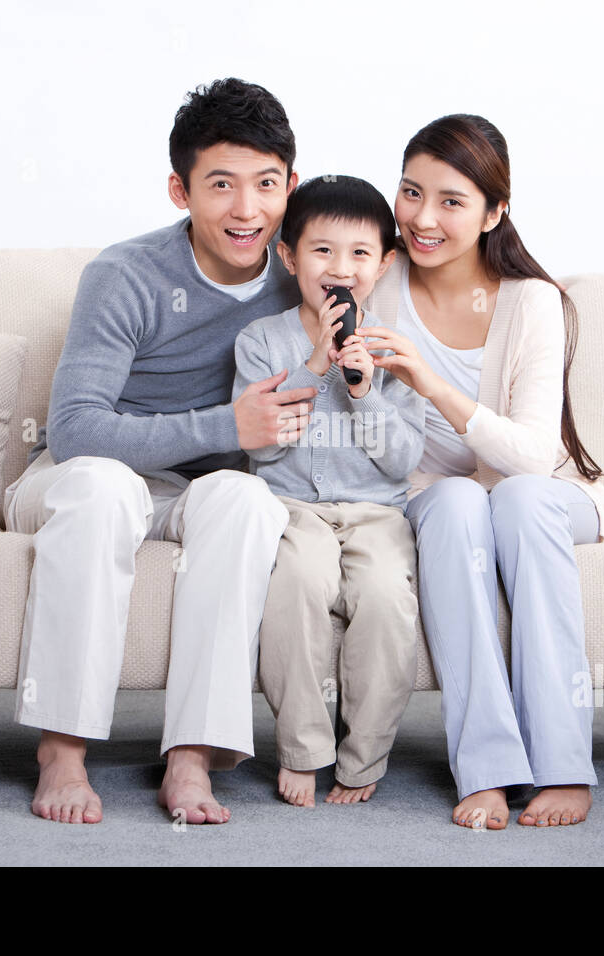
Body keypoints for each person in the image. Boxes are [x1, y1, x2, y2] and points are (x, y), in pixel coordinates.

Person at [1, 78, 314, 825]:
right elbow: (76, 428)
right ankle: (63, 751)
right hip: (79, 478)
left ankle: (192, 756)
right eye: (221, 186)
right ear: (180, 190)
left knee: (245, 499)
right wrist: (226, 428)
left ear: (291, 186)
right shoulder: (126, 275)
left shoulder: (300, 279)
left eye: (267, 185)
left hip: (190, 494)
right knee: (107, 488)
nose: (247, 210)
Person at [359, 114, 604, 830]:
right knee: (451, 502)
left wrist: (430, 381)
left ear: (494, 212)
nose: (421, 218)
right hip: (436, 499)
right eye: (411, 193)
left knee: (519, 500)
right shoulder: (378, 285)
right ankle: (486, 767)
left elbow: (533, 457)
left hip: (544, 495)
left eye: (451, 201)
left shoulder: (533, 301)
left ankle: (564, 764)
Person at [232, 175, 426, 808]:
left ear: (384, 264)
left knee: (385, 601)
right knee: (297, 585)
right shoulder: (263, 341)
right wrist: (316, 369)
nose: (340, 268)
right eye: (322, 251)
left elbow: (402, 462)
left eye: (359, 254)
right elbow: (262, 448)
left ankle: (364, 753)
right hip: (292, 509)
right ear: (288, 256)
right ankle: (303, 746)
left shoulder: (396, 351)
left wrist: (366, 389)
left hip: (377, 513)